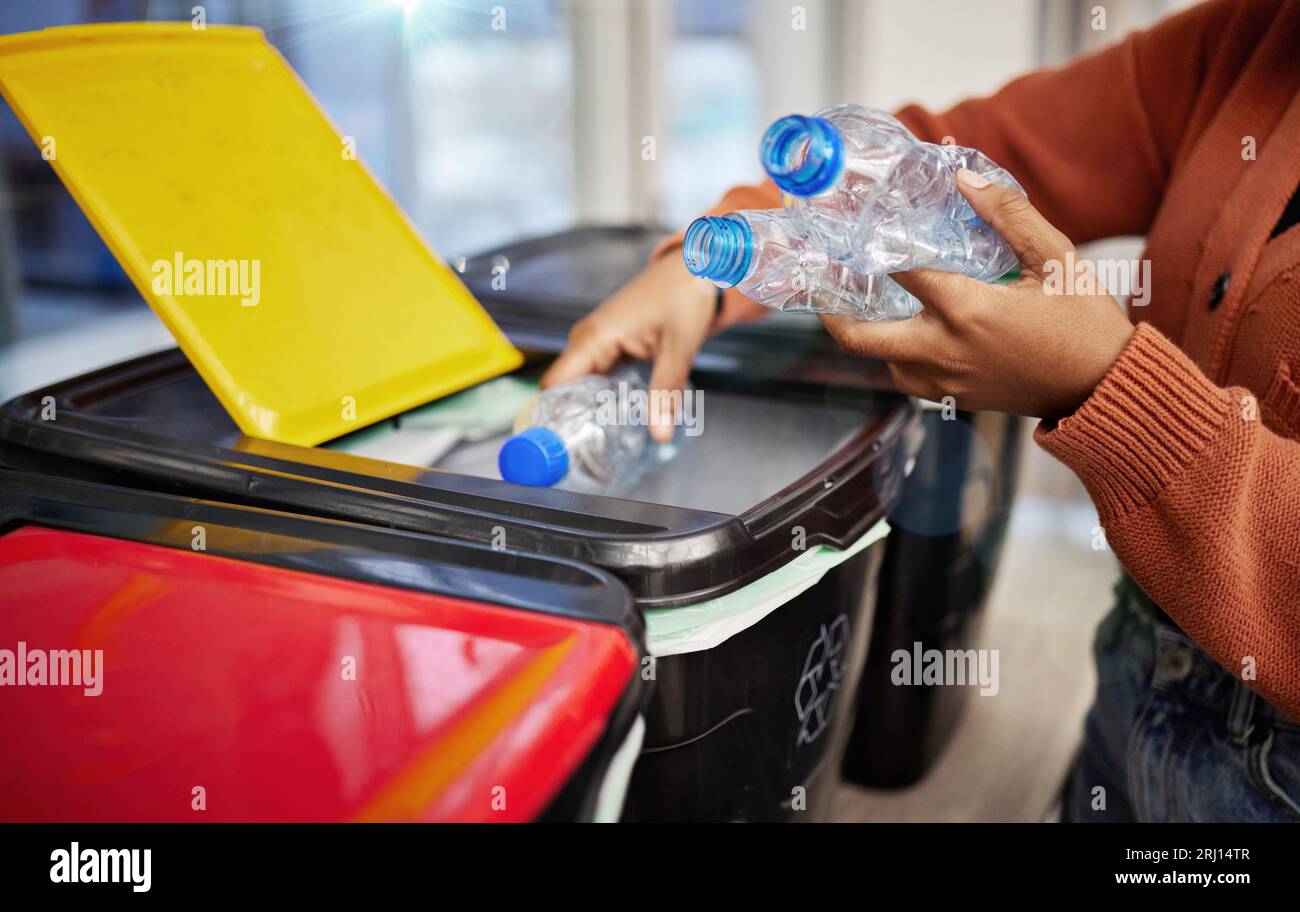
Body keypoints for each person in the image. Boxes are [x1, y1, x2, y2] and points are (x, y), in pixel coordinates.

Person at [542, 0, 1300, 822]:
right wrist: (711, 261)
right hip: (1146, 656)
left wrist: (1106, 388)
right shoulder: (1255, 38)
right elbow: (948, 160)